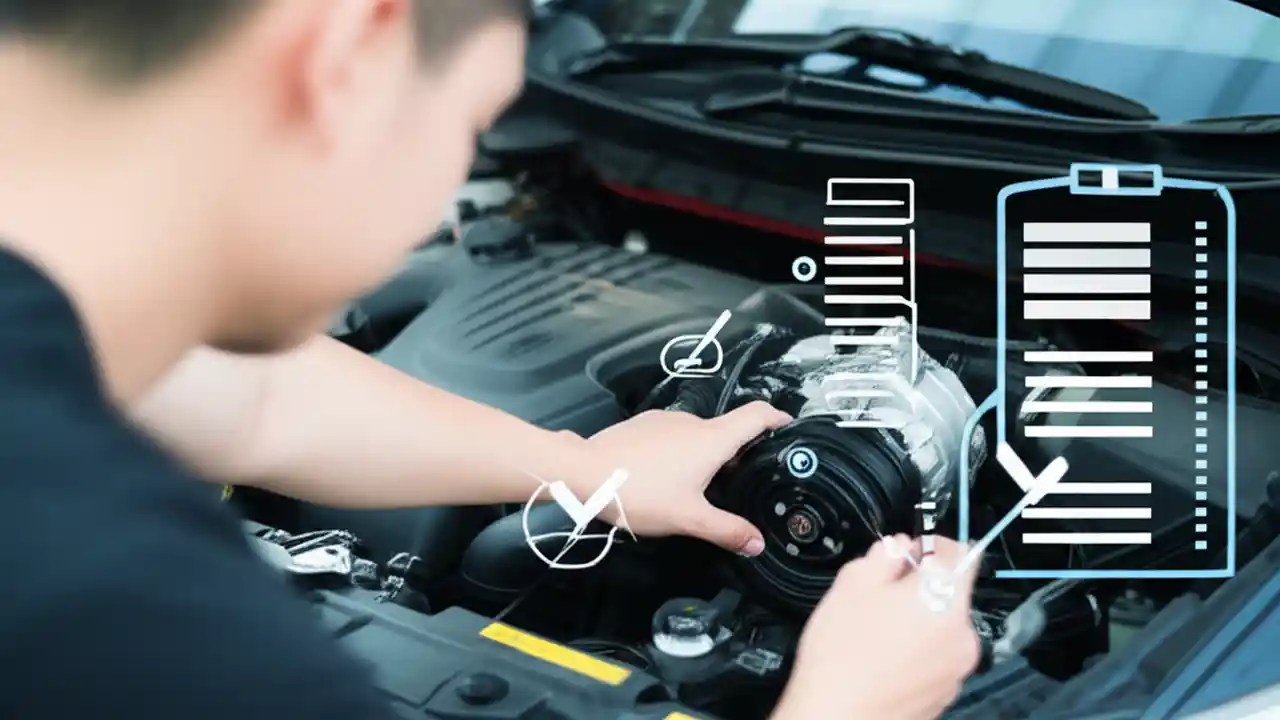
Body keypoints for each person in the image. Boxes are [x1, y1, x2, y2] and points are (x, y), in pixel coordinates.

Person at [0, 1, 980, 718]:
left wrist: (582, 469)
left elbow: (246, 401)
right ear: (348, 55)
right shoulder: (125, 626)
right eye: (470, 126)